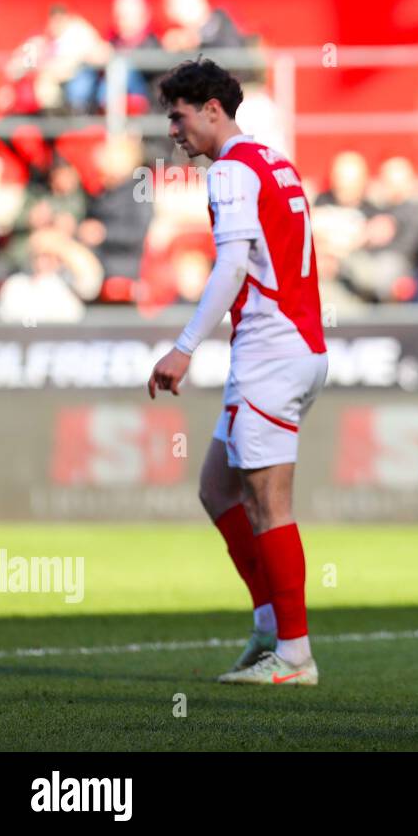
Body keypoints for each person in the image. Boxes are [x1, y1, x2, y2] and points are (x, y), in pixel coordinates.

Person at [147, 59, 329, 686]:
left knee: (269, 504)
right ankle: (268, 626)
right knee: (218, 489)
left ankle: (296, 656)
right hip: (291, 346)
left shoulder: (228, 170)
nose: (173, 130)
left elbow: (230, 267)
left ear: (211, 109)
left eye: (178, 115)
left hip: (271, 353)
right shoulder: (273, 160)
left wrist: (184, 345)